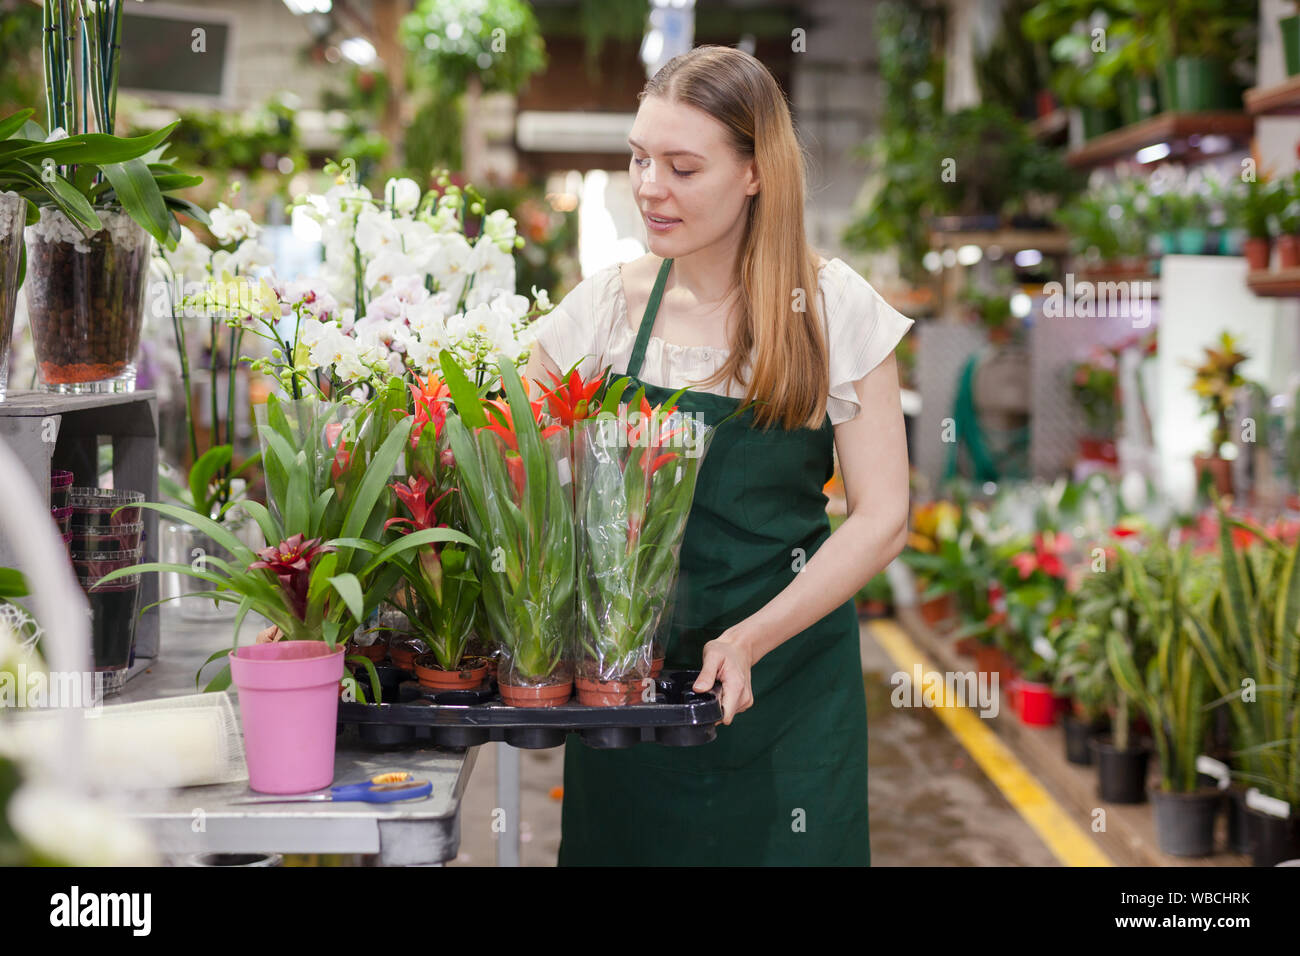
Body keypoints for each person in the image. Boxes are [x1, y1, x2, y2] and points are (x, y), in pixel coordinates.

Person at [525, 44, 912, 866]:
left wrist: (749, 640)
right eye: (638, 157)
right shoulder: (603, 311)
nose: (648, 186)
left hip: (788, 689)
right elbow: (516, 459)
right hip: (628, 690)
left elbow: (881, 518)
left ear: (754, 172)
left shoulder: (835, 310)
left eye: (681, 165)